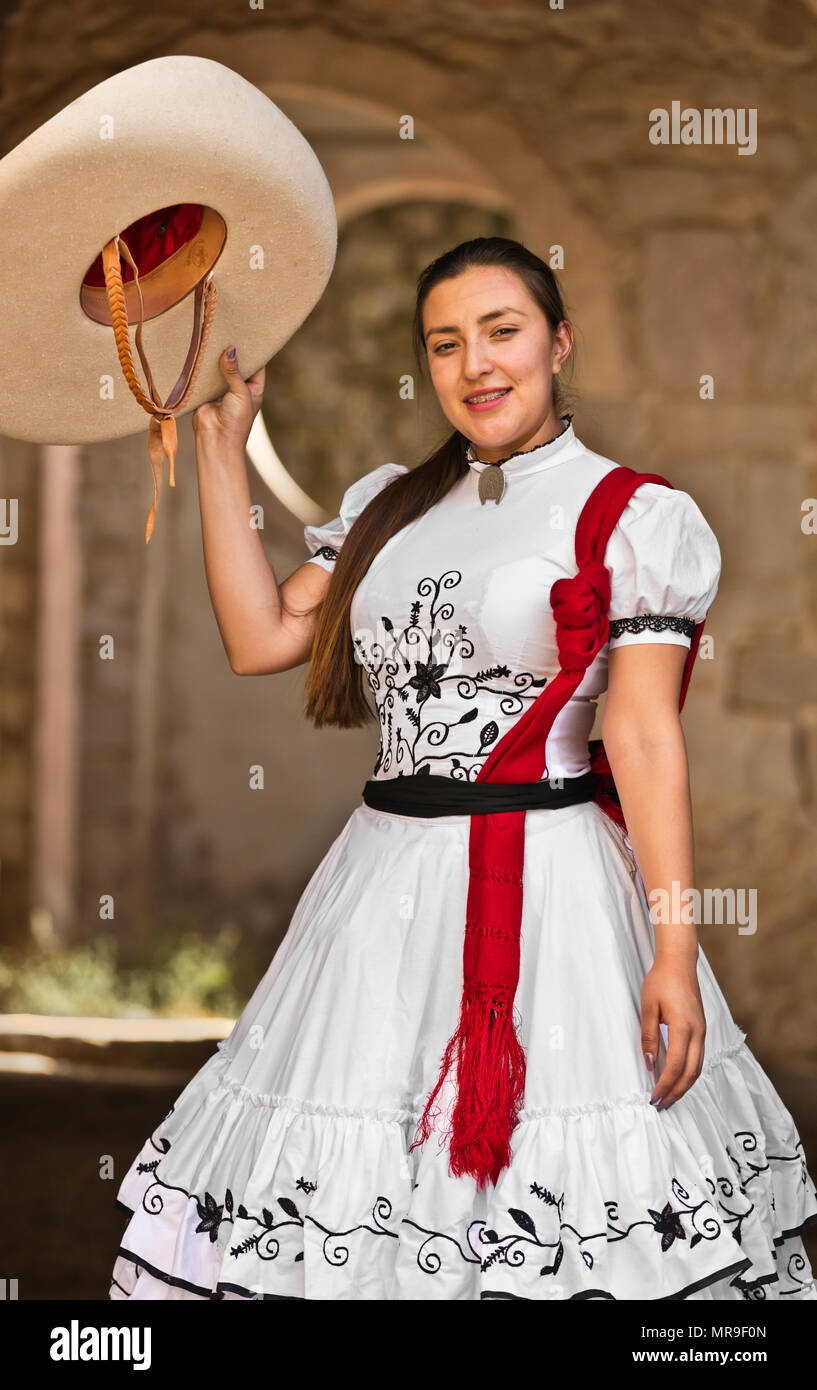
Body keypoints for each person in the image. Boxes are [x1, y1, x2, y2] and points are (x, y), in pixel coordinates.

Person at [109, 237, 817, 1301]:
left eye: (503, 332)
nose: (475, 365)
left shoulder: (633, 517)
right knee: (368, 1178)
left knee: (552, 1188)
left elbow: (640, 738)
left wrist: (674, 947)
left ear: (557, 341)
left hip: (555, 889)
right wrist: (220, 448)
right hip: (378, 885)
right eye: (445, 344)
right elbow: (258, 636)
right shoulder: (388, 504)